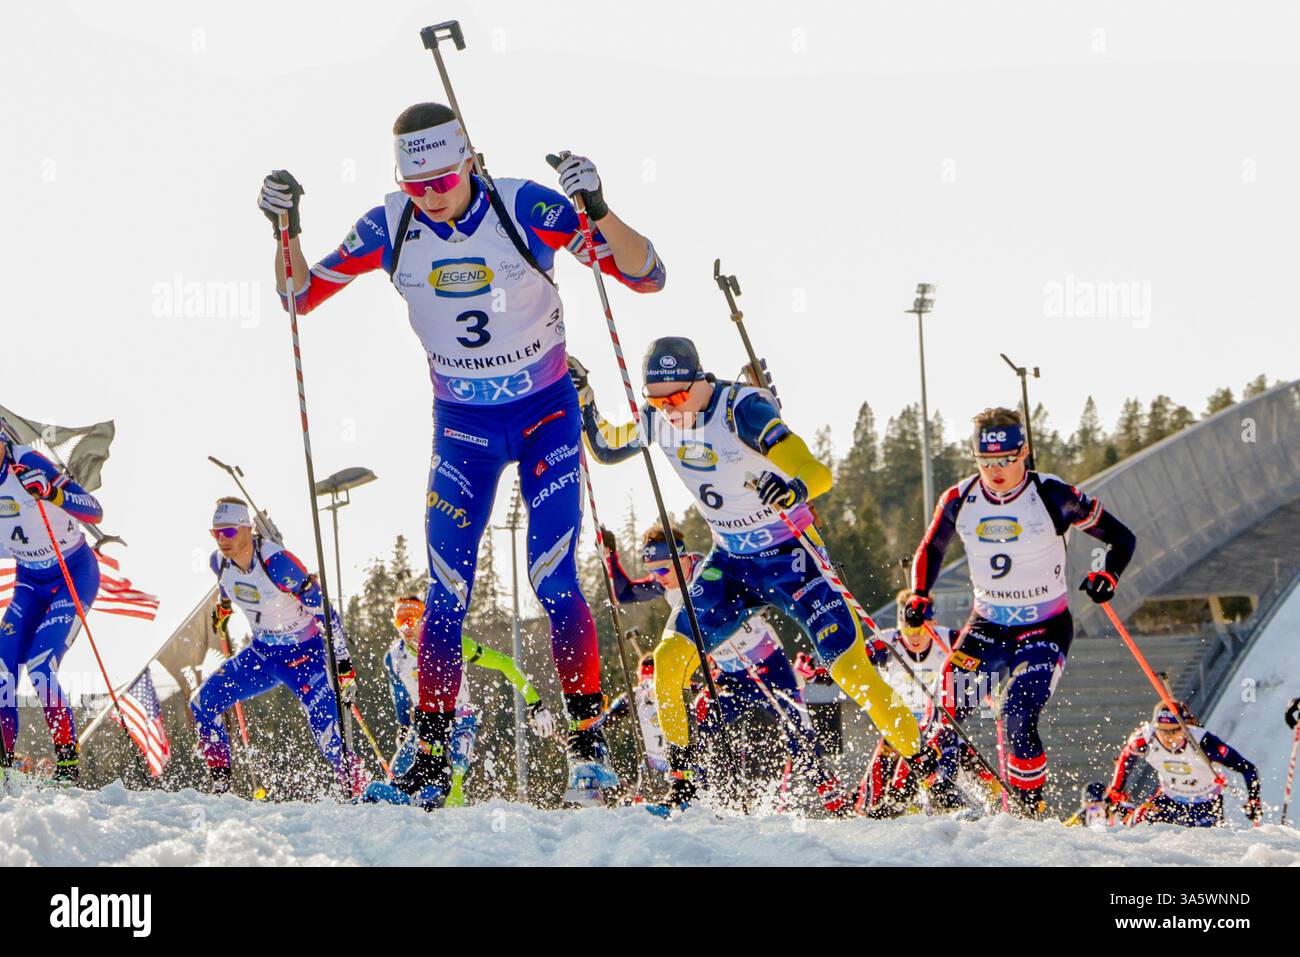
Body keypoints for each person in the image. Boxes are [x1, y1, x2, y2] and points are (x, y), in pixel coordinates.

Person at [259, 102, 665, 805]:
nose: (433, 197)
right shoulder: (391, 224)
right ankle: (429, 758)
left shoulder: (524, 206)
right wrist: (285, 231)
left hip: (544, 415)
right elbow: (298, 294)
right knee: (444, 588)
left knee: (553, 576)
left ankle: (589, 749)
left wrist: (598, 208)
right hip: (464, 429)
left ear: (471, 161)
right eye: (417, 186)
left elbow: (645, 274)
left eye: (444, 180)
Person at [575, 338, 927, 812]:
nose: (668, 410)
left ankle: (930, 776)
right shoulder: (659, 418)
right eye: (657, 401)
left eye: (677, 398)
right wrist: (585, 399)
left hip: (791, 558)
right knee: (670, 659)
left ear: (700, 381)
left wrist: (793, 487)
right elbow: (604, 446)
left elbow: (816, 471)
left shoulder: (742, 410)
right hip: (733, 563)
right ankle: (682, 788)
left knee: (850, 671)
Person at [907, 407, 1136, 817]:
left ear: (1024, 452)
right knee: (946, 707)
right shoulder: (960, 499)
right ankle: (941, 793)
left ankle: (1028, 808)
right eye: (986, 461)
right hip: (987, 627)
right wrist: (918, 594)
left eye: (1007, 460)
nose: (996, 470)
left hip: (1044, 628)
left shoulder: (1053, 495)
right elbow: (932, 548)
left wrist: (1109, 576)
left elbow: (1122, 538)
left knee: (1017, 711)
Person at [605, 523, 849, 813]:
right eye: (653, 572)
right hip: (730, 674)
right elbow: (625, 593)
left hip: (765, 665)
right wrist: (609, 555)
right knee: (703, 716)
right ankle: (697, 793)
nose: (659, 579)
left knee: (795, 728)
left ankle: (831, 794)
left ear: (681, 557)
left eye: (662, 570)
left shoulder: (711, 571)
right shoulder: (666, 583)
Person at [194, 498, 358, 796]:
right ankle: (219, 786)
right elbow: (227, 589)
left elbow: (324, 610)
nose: (221, 539)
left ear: (248, 529)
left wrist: (344, 664)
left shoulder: (277, 562)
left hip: (304, 655)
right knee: (203, 702)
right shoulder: (218, 563)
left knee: (327, 730)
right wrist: (223, 609)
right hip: (262, 654)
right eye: (215, 533)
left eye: (229, 532)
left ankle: (355, 789)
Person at [363, 595, 554, 808]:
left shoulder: (450, 644)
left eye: (412, 620)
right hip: (423, 726)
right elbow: (398, 694)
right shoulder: (394, 657)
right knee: (395, 778)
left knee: (455, 773)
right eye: (401, 622)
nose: (406, 628)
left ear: (424, 620)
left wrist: (536, 704)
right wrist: (404, 725)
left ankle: (451, 816)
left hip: (459, 719)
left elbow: (505, 663)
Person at [0, 433, 103, 781]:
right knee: (1, 672)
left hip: (73, 574)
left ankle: (67, 766)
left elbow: (94, 510)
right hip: (28, 582)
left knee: (40, 667)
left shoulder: (27, 462)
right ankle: (3, 766)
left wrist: (51, 493)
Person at [855, 590, 985, 816]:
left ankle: (990, 809)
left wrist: (984, 684)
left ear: (933, 623)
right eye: (908, 629)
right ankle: (871, 808)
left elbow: (984, 658)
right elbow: (854, 660)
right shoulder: (885, 641)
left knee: (955, 749)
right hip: (900, 726)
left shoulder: (950, 639)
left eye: (920, 629)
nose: (914, 636)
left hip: (938, 725)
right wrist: (819, 672)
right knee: (889, 749)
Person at [1108, 701, 1261, 827]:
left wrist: (1253, 799)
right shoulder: (1145, 738)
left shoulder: (1204, 743)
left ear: (1186, 727)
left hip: (1205, 804)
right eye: (1162, 731)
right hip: (1168, 798)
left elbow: (1247, 768)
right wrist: (1115, 790)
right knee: (1134, 827)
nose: (1168, 738)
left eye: (1174, 731)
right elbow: (1125, 757)